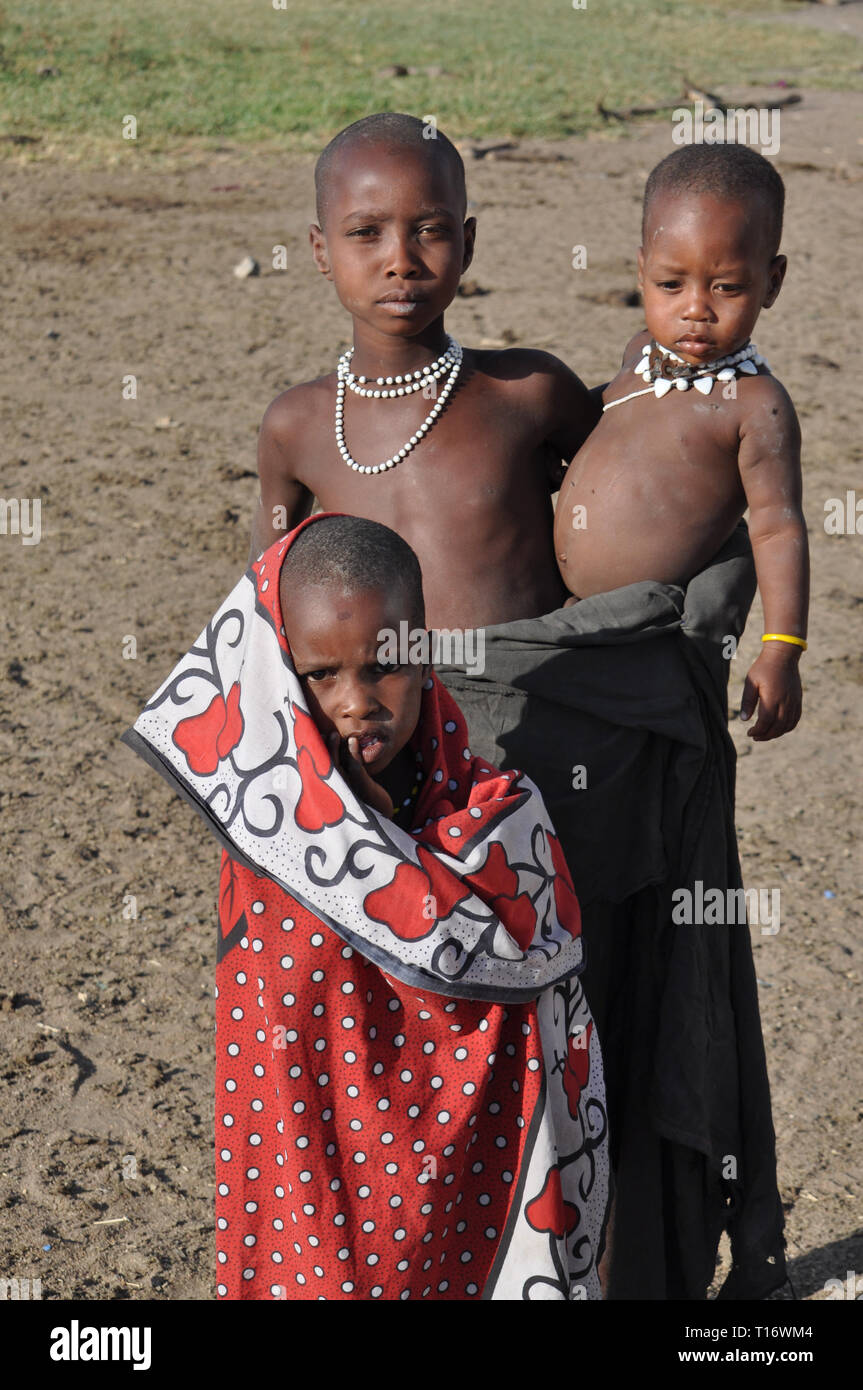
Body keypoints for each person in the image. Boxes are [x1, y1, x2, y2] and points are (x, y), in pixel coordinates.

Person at [123, 513, 610, 1301]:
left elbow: (545, 1015)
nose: (356, 703)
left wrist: (400, 846)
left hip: (468, 1181)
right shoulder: (270, 849)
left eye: (384, 667)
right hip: (318, 1178)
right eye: (321, 675)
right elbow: (278, 1060)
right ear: (282, 671)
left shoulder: (498, 817)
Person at [249, 111, 600, 629]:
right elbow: (266, 591)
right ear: (322, 251)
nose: (401, 260)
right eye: (366, 232)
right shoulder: (296, 425)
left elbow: (631, 490)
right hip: (383, 703)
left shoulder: (528, 391)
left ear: (468, 243)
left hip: (531, 690)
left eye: (431, 230)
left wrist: (594, 610)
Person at [556, 142, 808, 742]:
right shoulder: (640, 354)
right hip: (560, 612)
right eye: (671, 284)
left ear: (771, 282)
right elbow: (608, 417)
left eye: (727, 288)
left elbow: (778, 526)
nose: (696, 310)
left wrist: (782, 649)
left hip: (649, 636)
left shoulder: (755, 404)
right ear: (641, 271)